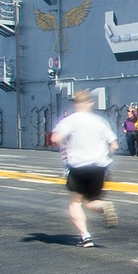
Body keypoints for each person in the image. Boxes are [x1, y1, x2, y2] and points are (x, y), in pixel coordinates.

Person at [50, 90, 119, 247]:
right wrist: (105, 157)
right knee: (91, 201)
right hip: (100, 166)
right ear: (90, 103)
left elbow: (55, 138)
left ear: (75, 104)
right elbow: (114, 144)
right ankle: (103, 206)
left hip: (79, 166)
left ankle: (85, 237)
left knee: (75, 203)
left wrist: (64, 148)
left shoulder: (71, 120)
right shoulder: (100, 121)